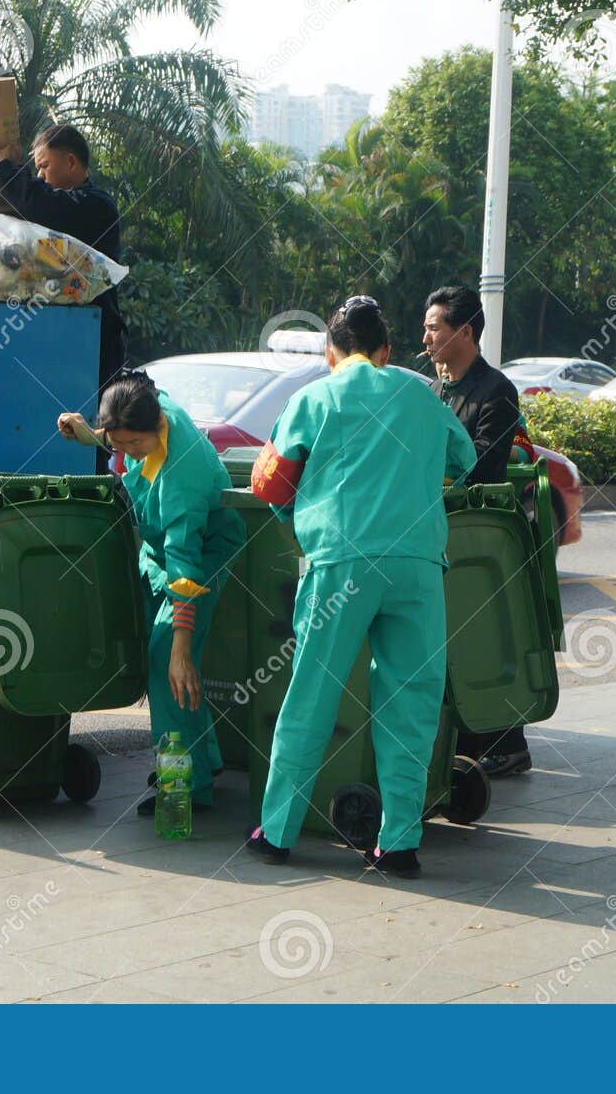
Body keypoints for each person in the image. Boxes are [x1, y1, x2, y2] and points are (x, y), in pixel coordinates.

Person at [246, 297, 476, 878]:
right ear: (387, 351)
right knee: (412, 703)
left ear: (330, 350)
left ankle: (276, 832)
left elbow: (269, 483)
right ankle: (398, 843)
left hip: (341, 567)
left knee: (311, 697)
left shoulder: (314, 398)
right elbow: (466, 458)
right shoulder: (420, 395)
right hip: (418, 567)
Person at [56, 371, 243, 817]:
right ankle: (205, 760)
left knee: (167, 663)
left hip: (198, 557)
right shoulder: (146, 408)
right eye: (118, 446)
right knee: (172, 669)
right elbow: (120, 430)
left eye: (133, 446)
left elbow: (186, 568)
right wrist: (91, 437)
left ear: (155, 426)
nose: (125, 454)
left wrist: (181, 644)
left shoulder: (183, 477)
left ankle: (186, 786)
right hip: (159, 551)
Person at [422, 283, 533, 777]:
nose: (425, 339)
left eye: (433, 328)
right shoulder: (436, 389)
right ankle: (460, 739)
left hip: (479, 533)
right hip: (437, 530)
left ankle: (507, 741)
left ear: (464, 331)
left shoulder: (497, 391)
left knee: (481, 636)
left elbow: (483, 465)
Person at [0, 124, 127, 391]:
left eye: (44, 166)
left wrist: (0, 166)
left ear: (71, 162)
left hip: (95, 345)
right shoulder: (51, 204)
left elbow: (43, 204)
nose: (40, 175)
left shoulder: (97, 206)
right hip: (51, 344)